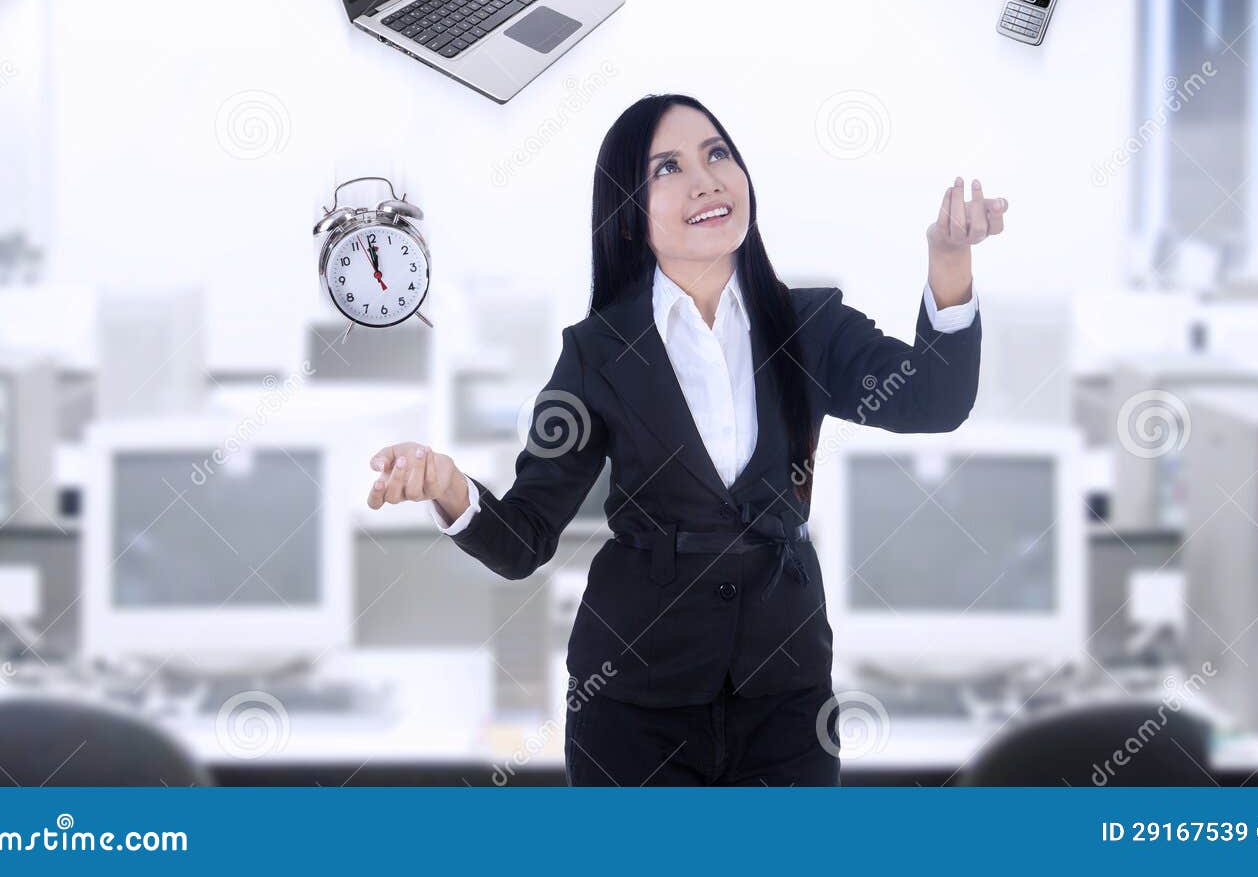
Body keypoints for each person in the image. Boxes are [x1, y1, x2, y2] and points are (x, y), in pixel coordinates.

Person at [368, 93, 1008, 785]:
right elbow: (524, 539)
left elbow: (933, 401)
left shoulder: (809, 323)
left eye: (717, 153)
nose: (705, 178)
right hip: (634, 706)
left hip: (785, 697)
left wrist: (948, 258)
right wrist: (447, 486)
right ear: (629, 212)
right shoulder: (598, 352)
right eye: (667, 167)